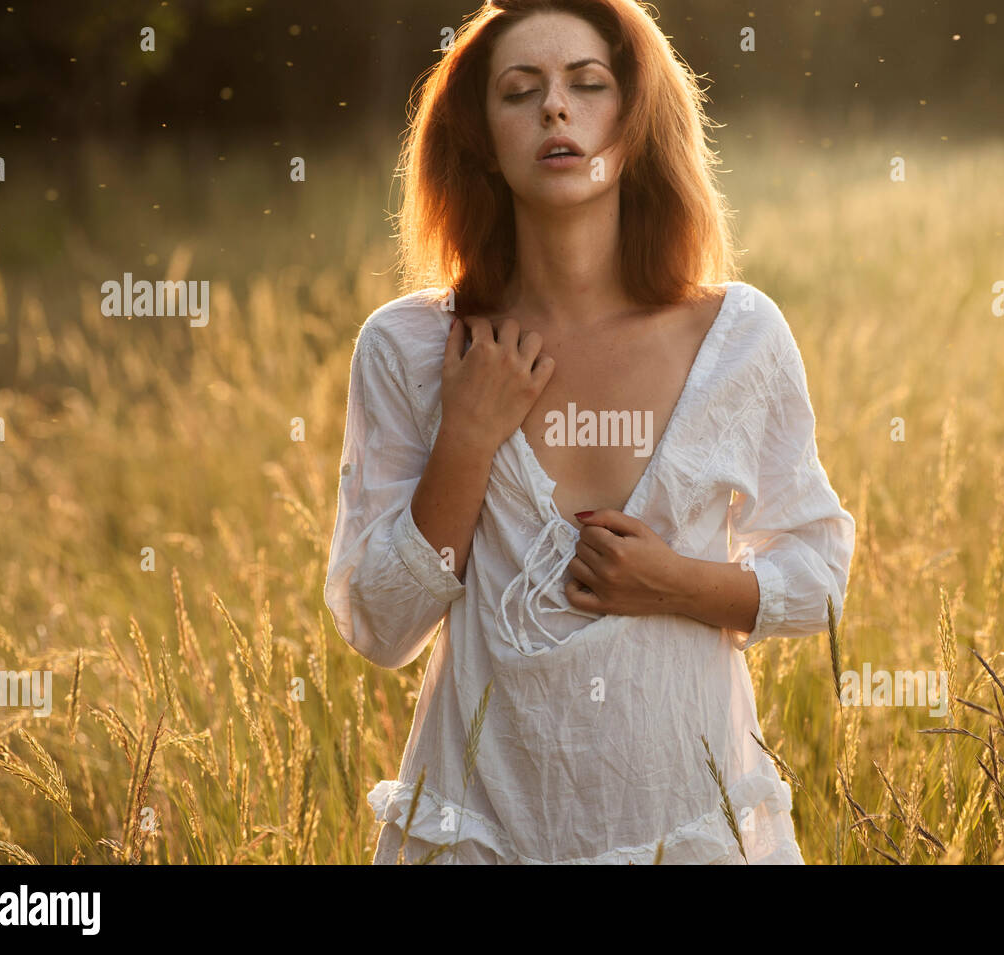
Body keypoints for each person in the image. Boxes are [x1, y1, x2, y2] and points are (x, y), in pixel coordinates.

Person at [323, 0, 855, 864]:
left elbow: (821, 573)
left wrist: (676, 582)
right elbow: (380, 626)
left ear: (635, 119)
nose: (555, 110)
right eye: (519, 92)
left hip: (690, 824)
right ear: (483, 142)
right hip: (480, 833)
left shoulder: (739, 337)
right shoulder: (409, 347)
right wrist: (466, 436)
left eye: (587, 84)